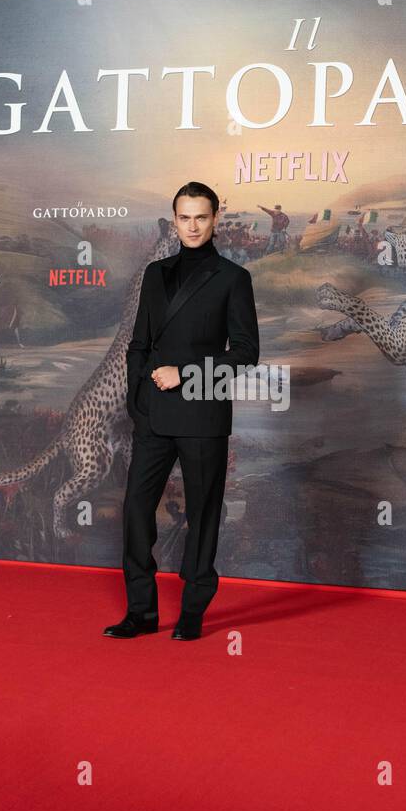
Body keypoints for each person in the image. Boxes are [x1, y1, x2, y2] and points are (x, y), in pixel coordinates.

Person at [106, 182, 260, 641]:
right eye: (184, 217)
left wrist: (185, 372)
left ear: (215, 220)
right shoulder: (154, 274)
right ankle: (142, 612)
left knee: (203, 513)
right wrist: (137, 399)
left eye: (201, 217)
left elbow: (246, 353)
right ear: (174, 220)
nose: (192, 226)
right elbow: (138, 344)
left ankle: (192, 610)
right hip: (153, 415)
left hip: (202, 413)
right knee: (136, 510)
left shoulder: (234, 278)